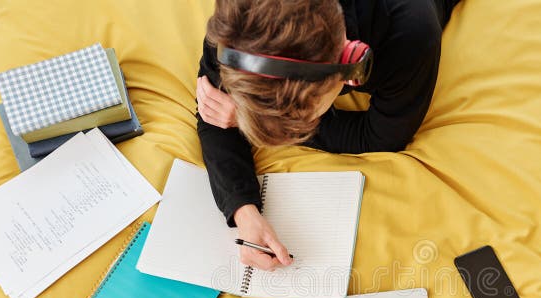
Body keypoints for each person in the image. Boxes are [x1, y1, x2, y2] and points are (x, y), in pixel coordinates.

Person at [196, 0, 459, 270]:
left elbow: (378, 137)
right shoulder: (240, 25)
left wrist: (245, 119)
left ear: (351, 62)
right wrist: (243, 210)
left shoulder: (410, 32)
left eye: (304, 119)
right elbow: (212, 112)